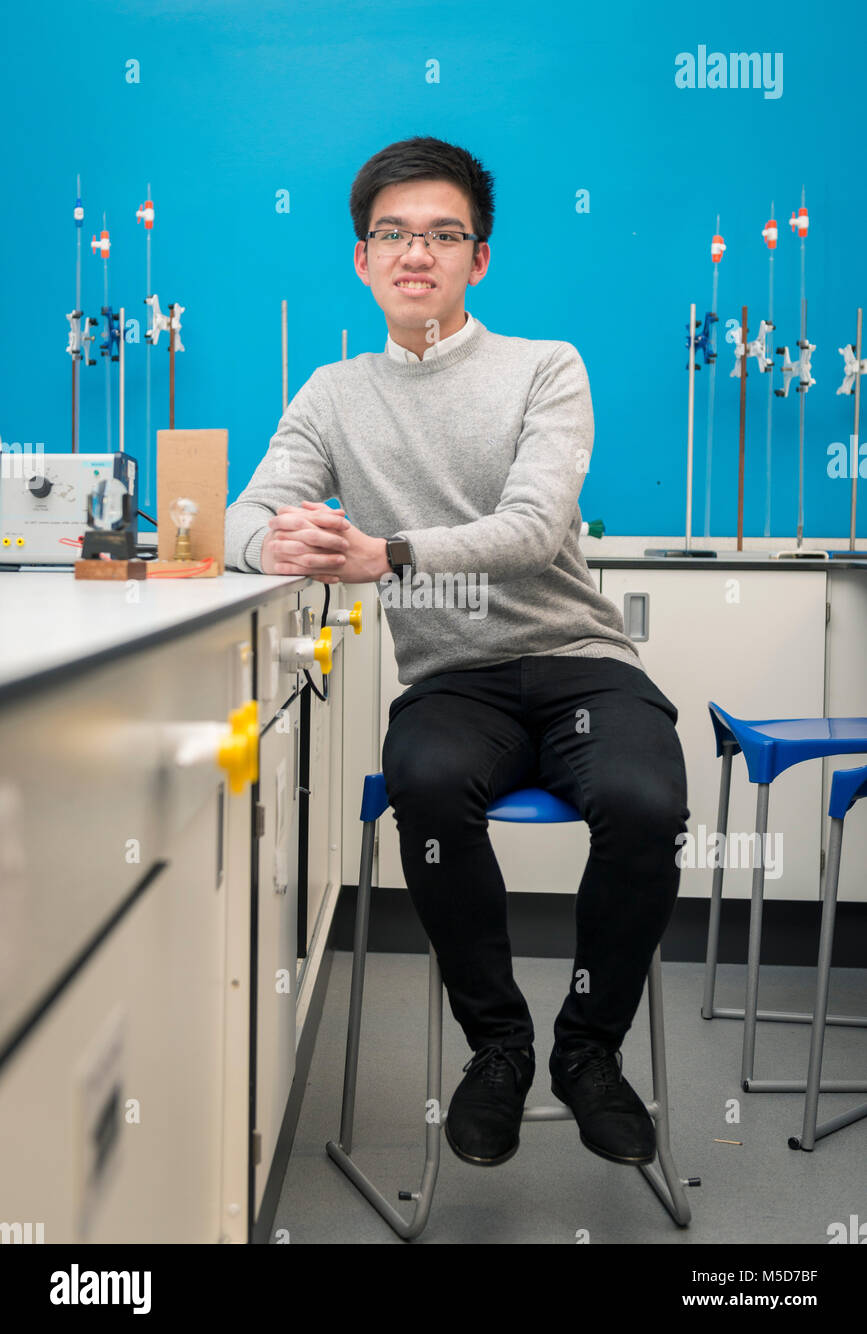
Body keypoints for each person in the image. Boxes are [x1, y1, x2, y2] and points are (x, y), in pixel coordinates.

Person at [225, 135, 690, 1170]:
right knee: (425, 785)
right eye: (393, 232)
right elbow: (241, 515)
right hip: (452, 682)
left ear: (480, 259)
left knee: (647, 803)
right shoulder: (335, 393)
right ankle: (500, 1047)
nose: (416, 252)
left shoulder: (545, 368)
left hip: (580, 661)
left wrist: (382, 551)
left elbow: (530, 529)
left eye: (443, 233)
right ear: (362, 259)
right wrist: (273, 540)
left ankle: (589, 1047)